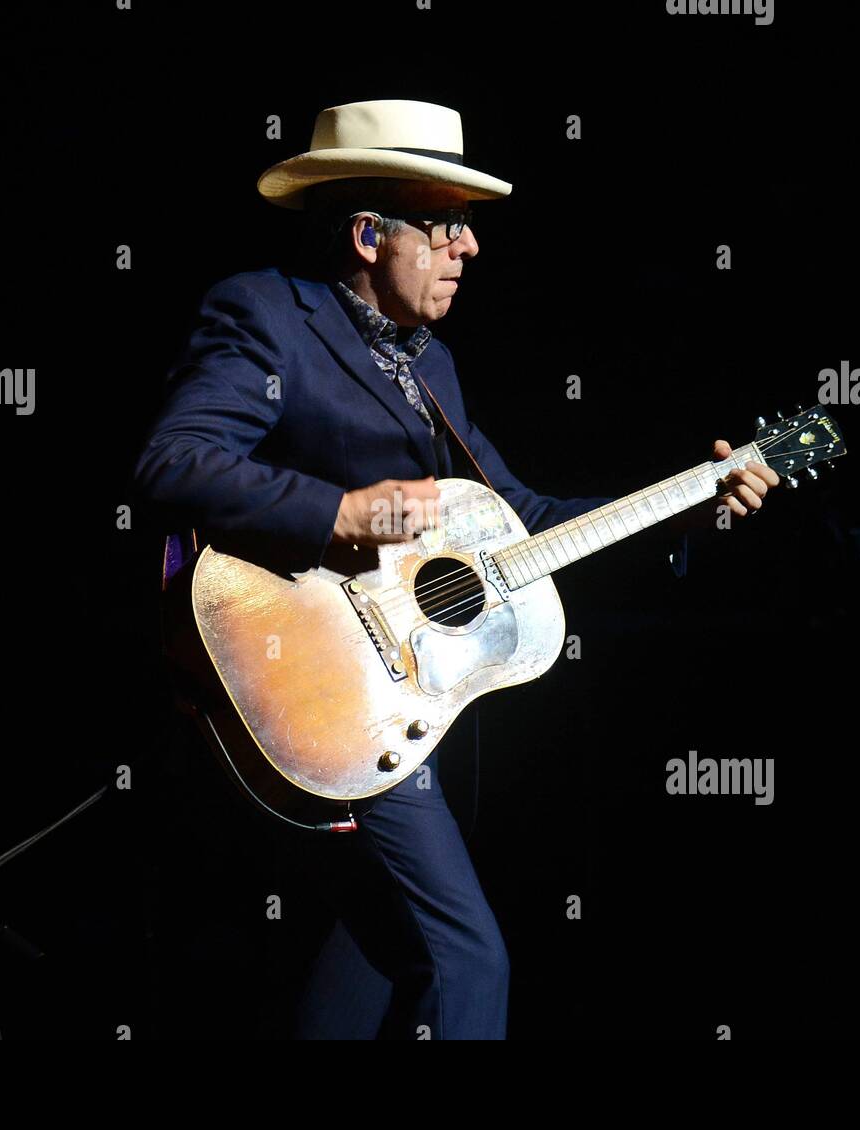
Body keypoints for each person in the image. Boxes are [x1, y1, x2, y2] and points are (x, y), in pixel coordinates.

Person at [131, 100, 779, 1039]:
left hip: (402, 705)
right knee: (466, 957)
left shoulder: (431, 364)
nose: (468, 247)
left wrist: (695, 500)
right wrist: (340, 513)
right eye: (446, 224)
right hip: (309, 672)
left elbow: (522, 525)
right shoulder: (267, 313)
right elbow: (173, 462)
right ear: (366, 233)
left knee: (384, 948)